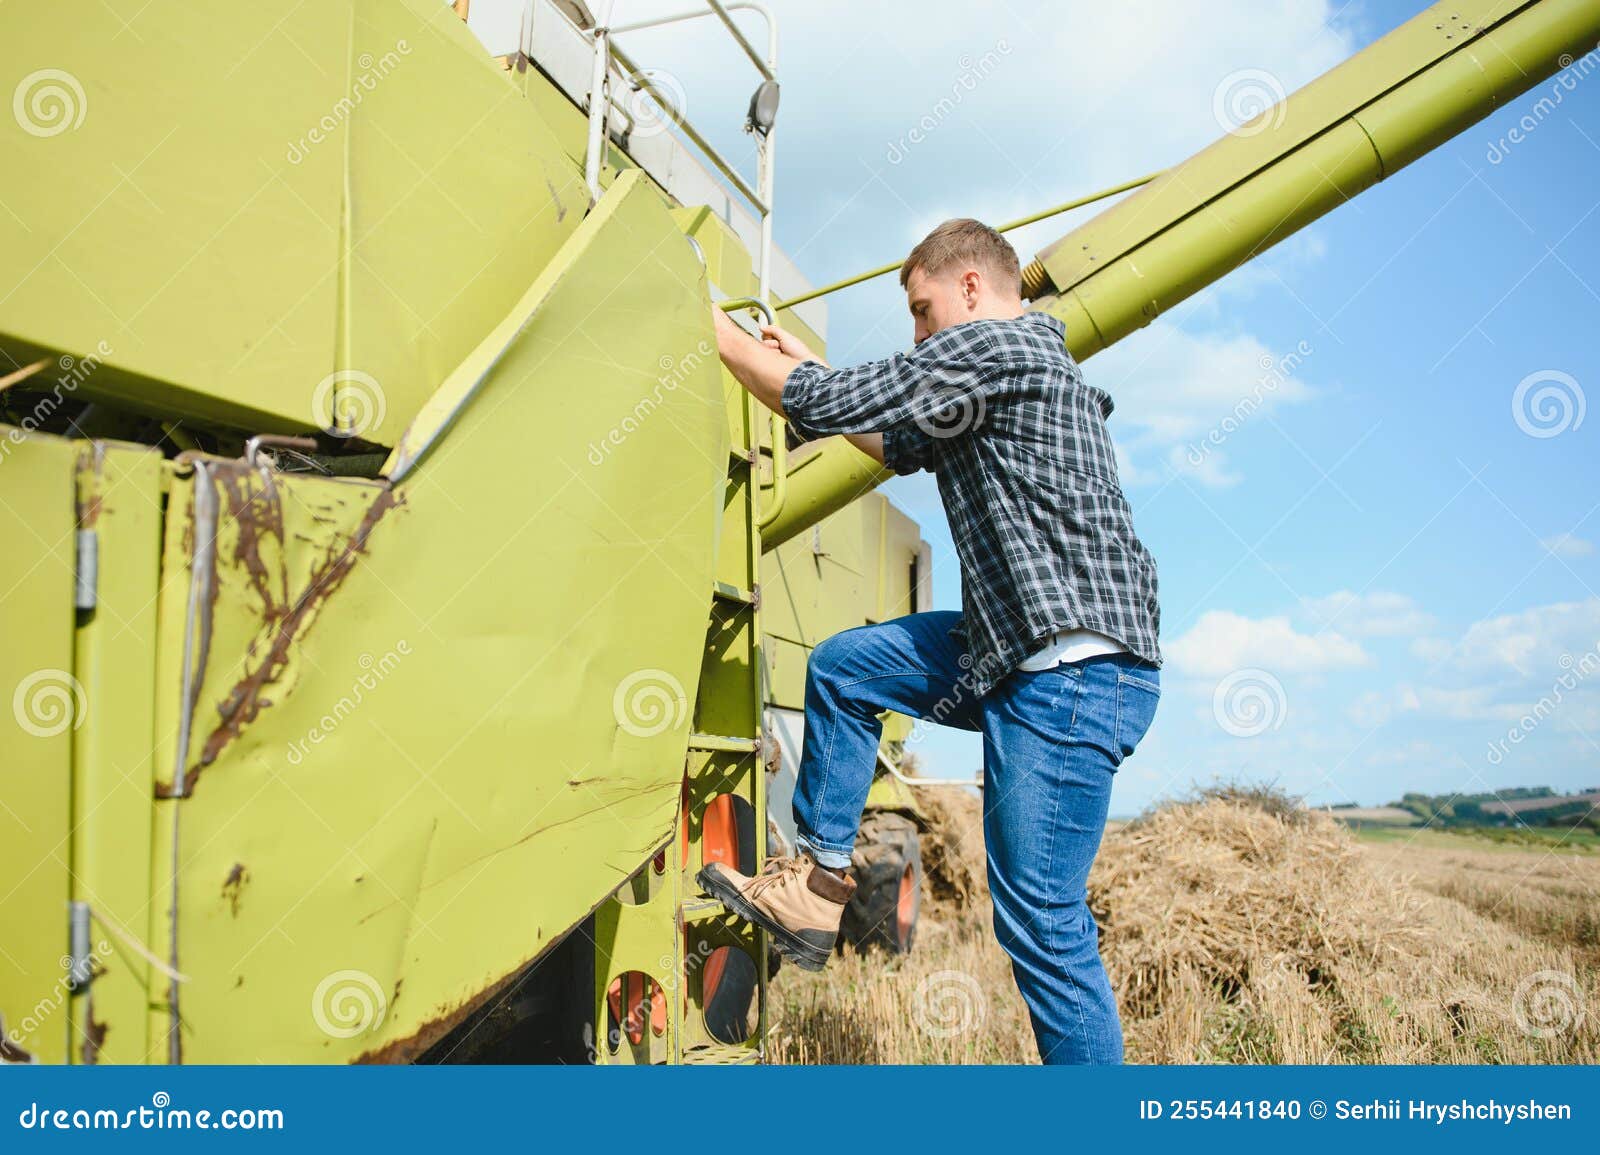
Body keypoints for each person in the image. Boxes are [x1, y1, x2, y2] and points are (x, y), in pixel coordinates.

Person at [698, 218, 1162, 1064]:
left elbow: (844, 399)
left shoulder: (1006, 349)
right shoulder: (996, 373)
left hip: (1071, 669)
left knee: (1044, 923)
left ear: (975, 289)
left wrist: (714, 330)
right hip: (1020, 650)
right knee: (845, 666)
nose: (917, 333)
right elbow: (889, 437)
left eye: (922, 310)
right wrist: (802, 369)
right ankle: (819, 881)